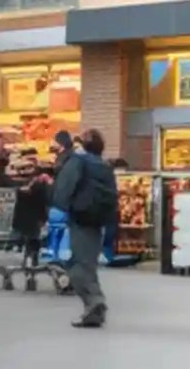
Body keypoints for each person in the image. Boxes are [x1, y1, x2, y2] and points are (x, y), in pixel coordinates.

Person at [52, 129, 118, 329]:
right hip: (98, 220)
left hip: (80, 218)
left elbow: (63, 190)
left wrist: (60, 206)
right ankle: (93, 307)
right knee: (87, 262)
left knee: (77, 265)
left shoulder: (78, 162)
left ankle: (95, 303)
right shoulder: (105, 166)